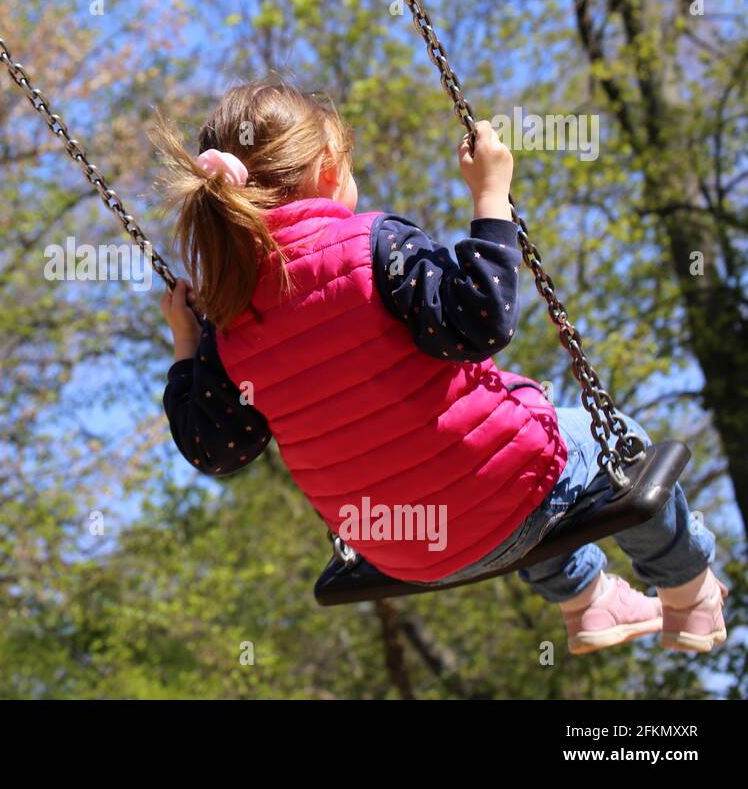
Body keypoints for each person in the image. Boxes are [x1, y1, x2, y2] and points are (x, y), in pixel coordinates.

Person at [158, 80, 725, 654]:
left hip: (402, 550)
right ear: (329, 166)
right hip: (503, 491)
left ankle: (588, 602)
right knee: (621, 447)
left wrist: (188, 345)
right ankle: (689, 597)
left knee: (514, 481)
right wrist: (491, 197)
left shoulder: (230, 326)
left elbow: (215, 448)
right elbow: (480, 320)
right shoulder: (370, 245)